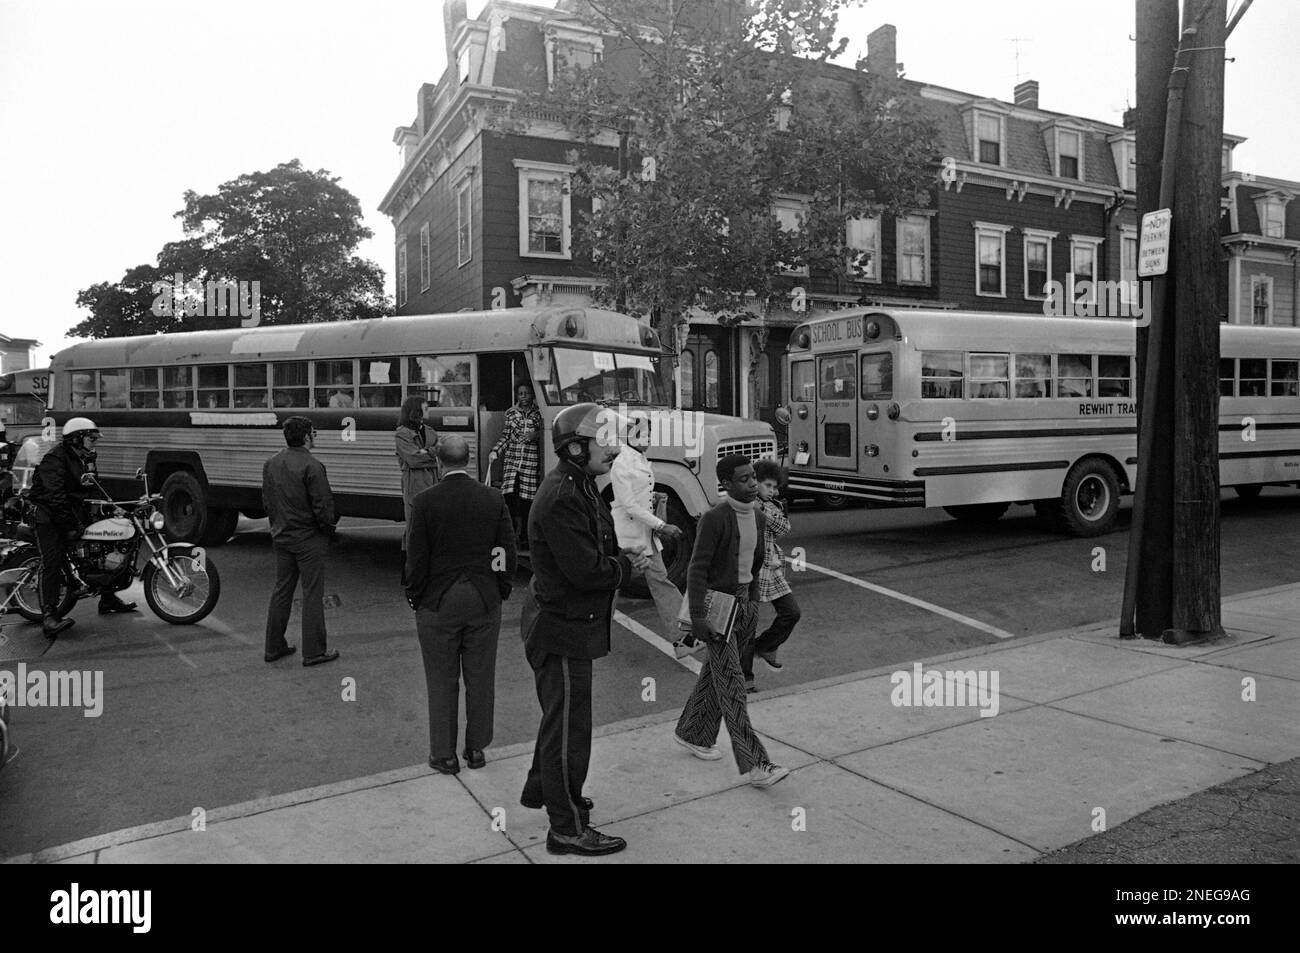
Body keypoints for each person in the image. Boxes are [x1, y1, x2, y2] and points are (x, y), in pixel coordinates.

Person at [520, 402, 649, 857]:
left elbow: (597, 547)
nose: (613, 450)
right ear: (575, 448)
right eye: (604, 441)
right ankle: (566, 829)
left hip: (569, 623)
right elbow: (586, 570)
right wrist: (624, 567)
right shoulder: (563, 496)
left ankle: (557, 794)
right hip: (562, 628)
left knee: (564, 724)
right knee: (569, 731)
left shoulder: (581, 485)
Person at [673, 454, 789, 788]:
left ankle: (692, 732)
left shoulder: (759, 517)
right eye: (743, 479)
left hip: (744, 606)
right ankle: (757, 764)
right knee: (734, 685)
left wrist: (752, 603)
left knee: (715, 675)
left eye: (753, 477)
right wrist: (697, 617)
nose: (752, 483)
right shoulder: (714, 519)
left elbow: (754, 565)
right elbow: (697, 569)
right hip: (716, 608)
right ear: (725, 484)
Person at [404, 436, 516, 775]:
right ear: (469, 461)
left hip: (439, 599)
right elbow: (505, 551)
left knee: (441, 678)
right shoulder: (493, 498)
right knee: (481, 677)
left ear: (439, 463)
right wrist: (500, 587)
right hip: (483, 597)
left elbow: (416, 558)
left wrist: (415, 594)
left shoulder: (424, 502)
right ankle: (476, 749)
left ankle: (444, 755)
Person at [28, 417, 136, 636]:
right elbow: (54, 497)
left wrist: (111, 507)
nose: (94, 442)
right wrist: (70, 525)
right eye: (91, 438)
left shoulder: (86, 457)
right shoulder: (55, 459)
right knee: (52, 562)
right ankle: (49, 617)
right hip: (48, 516)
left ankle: (107, 598)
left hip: (73, 513)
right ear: (77, 439)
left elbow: (93, 486)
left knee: (105, 545)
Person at [609, 415, 702, 659]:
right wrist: (662, 524)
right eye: (640, 434)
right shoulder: (621, 461)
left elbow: (637, 495)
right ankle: (592, 634)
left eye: (649, 434)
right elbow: (627, 505)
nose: (646, 439)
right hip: (628, 536)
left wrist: (654, 497)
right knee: (613, 585)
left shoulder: (637, 457)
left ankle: (683, 638)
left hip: (644, 534)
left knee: (660, 583)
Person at [261, 416, 340, 667]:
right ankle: (314, 651)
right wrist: (328, 529)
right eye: (313, 432)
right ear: (306, 437)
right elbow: (323, 507)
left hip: (282, 535)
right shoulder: (313, 466)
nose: (315, 436)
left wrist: (277, 526)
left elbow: (268, 501)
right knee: (312, 593)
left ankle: (274, 646)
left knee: (282, 590)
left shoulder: (271, 464)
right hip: (308, 538)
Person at [740, 459, 801, 691]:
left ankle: (764, 646)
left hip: (771, 570)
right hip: (750, 569)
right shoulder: (743, 502)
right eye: (768, 486)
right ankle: (745, 678)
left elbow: (784, 528)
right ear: (755, 482)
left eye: (775, 487)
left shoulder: (768, 505)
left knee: (791, 612)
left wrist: (764, 509)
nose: (773, 491)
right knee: (747, 624)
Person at [487, 383, 542, 551]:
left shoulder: (539, 413)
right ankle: (509, 537)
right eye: (520, 393)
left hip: (530, 462)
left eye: (526, 393)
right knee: (510, 498)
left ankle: (526, 537)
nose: (523, 396)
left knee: (528, 501)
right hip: (512, 461)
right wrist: (495, 451)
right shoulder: (511, 413)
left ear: (532, 395)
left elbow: (544, 434)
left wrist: (536, 434)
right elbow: (506, 436)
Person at [395, 396, 439, 559]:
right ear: (416, 411)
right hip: (414, 482)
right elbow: (413, 459)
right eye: (425, 407)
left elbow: (435, 454)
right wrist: (431, 452)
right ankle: (412, 566)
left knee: (431, 525)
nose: (428, 410)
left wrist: (424, 453)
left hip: (433, 480)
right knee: (415, 525)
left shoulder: (429, 430)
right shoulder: (402, 434)